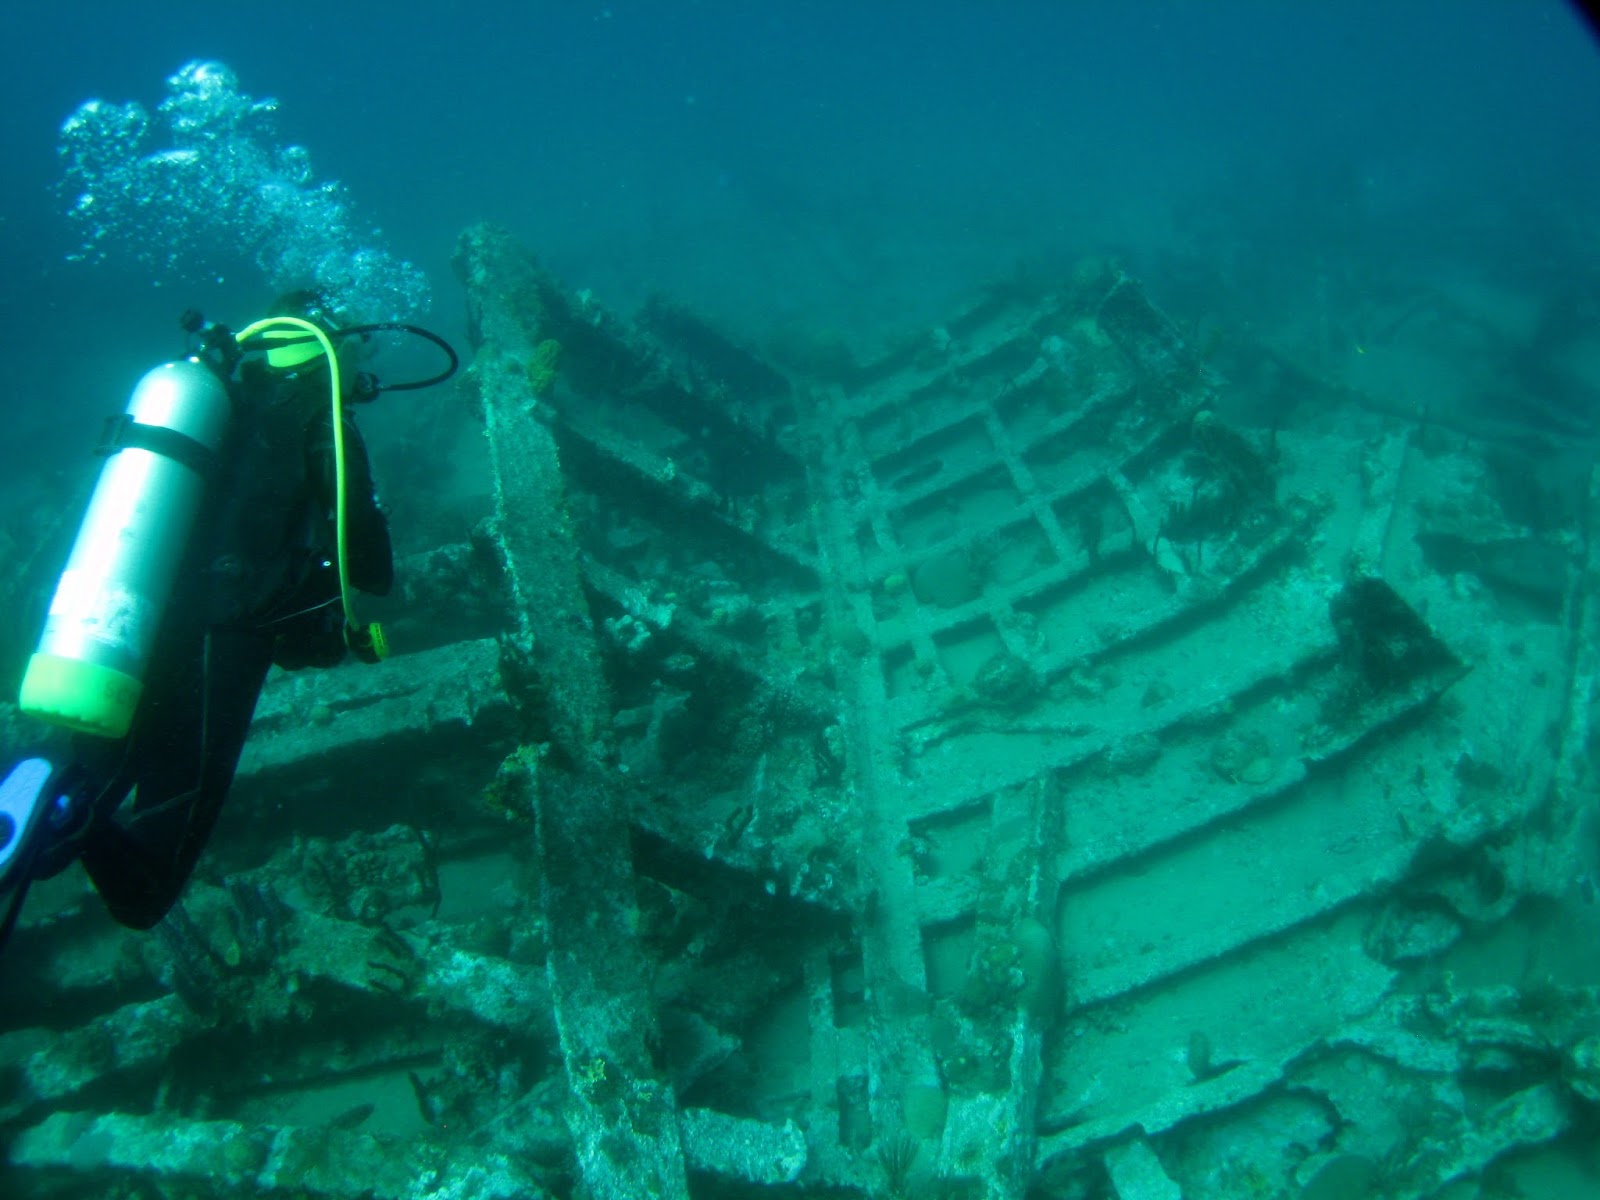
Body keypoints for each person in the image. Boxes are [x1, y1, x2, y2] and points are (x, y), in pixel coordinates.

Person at [0, 293, 457, 948]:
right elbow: (371, 568)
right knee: (147, 888)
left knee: (70, 802)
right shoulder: (320, 419)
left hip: (129, 620)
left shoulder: (218, 399)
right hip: (222, 644)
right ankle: (64, 805)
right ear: (334, 348)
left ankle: (45, 776)